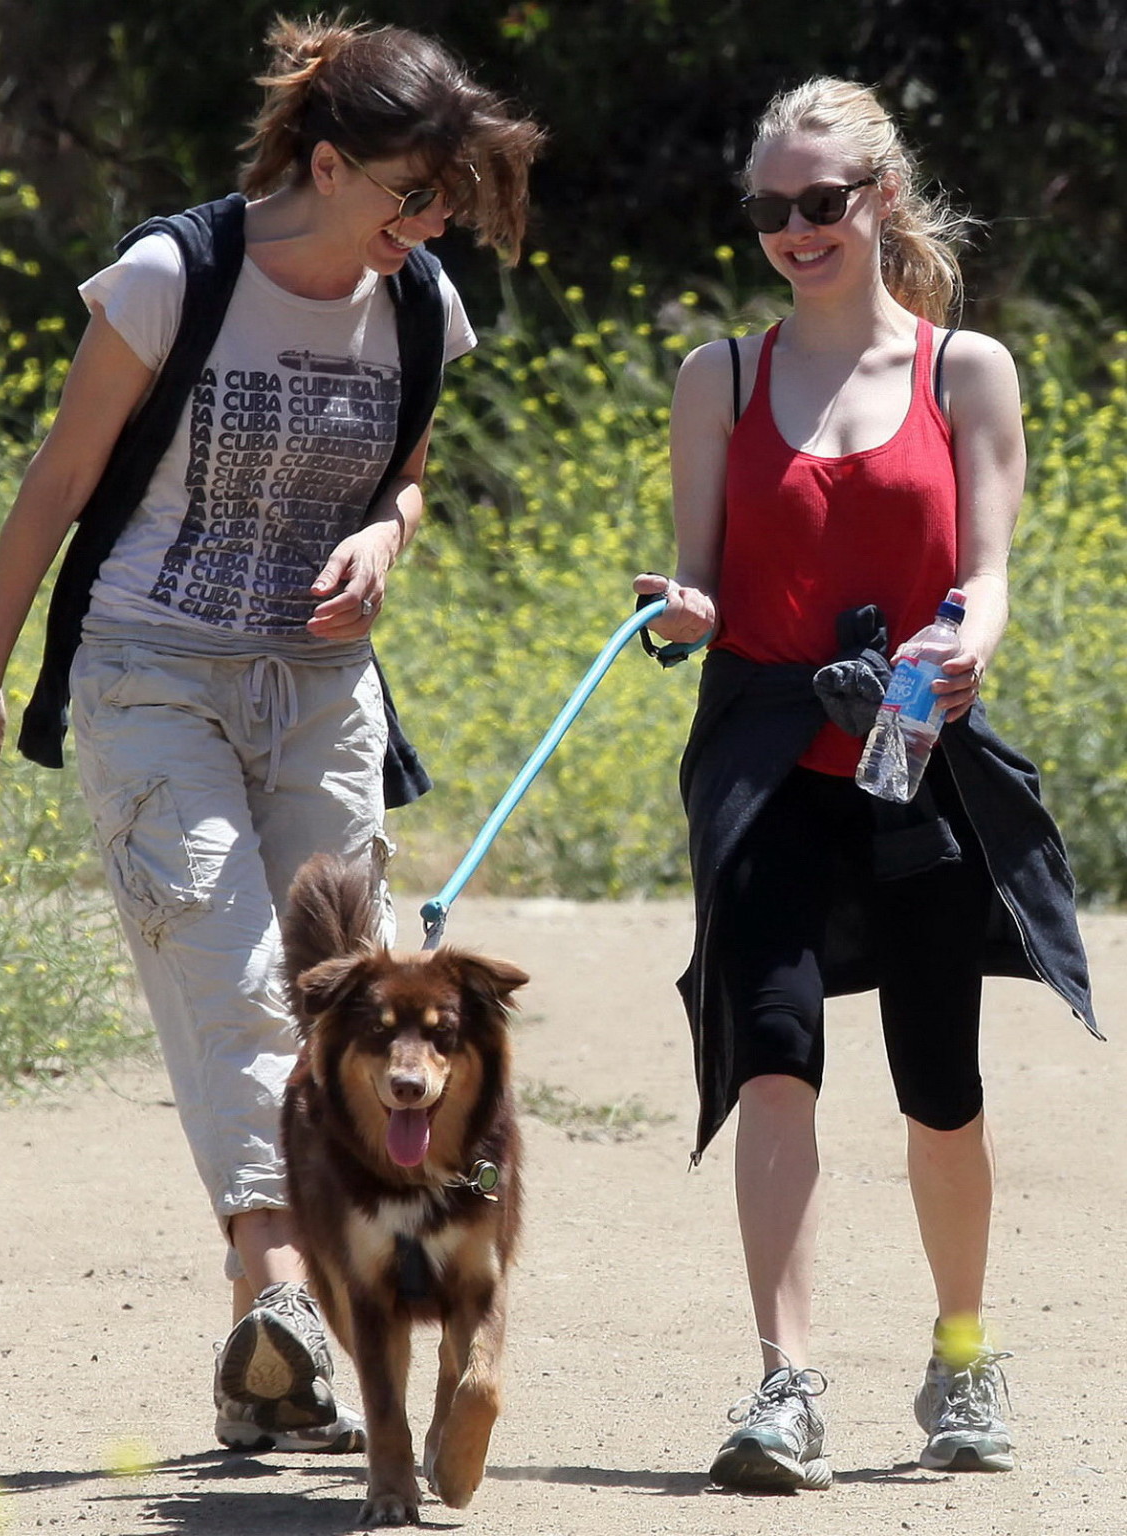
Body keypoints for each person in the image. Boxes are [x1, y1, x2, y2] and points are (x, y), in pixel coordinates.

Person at [0, 15, 541, 1456]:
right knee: (229, 977)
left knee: (347, 995)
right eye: (412, 191)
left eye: (446, 196)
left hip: (324, 688)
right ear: (328, 163)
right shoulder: (174, 276)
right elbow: (61, 482)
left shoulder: (418, 302)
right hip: (151, 673)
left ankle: (268, 1333)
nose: (433, 219)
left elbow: (403, 482)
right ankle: (280, 1288)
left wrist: (386, 545)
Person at [634, 78, 1098, 1492]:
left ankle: (963, 1355)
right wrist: (679, 614)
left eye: (821, 203)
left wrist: (966, 642)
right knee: (771, 1056)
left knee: (939, 1086)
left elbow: (990, 575)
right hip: (767, 758)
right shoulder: (717, 375)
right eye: (772, 209)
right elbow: (692, 581)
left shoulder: (971, 372)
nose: (794, 230)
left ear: (880, 198)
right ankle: (787, 1385)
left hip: (911, 754)